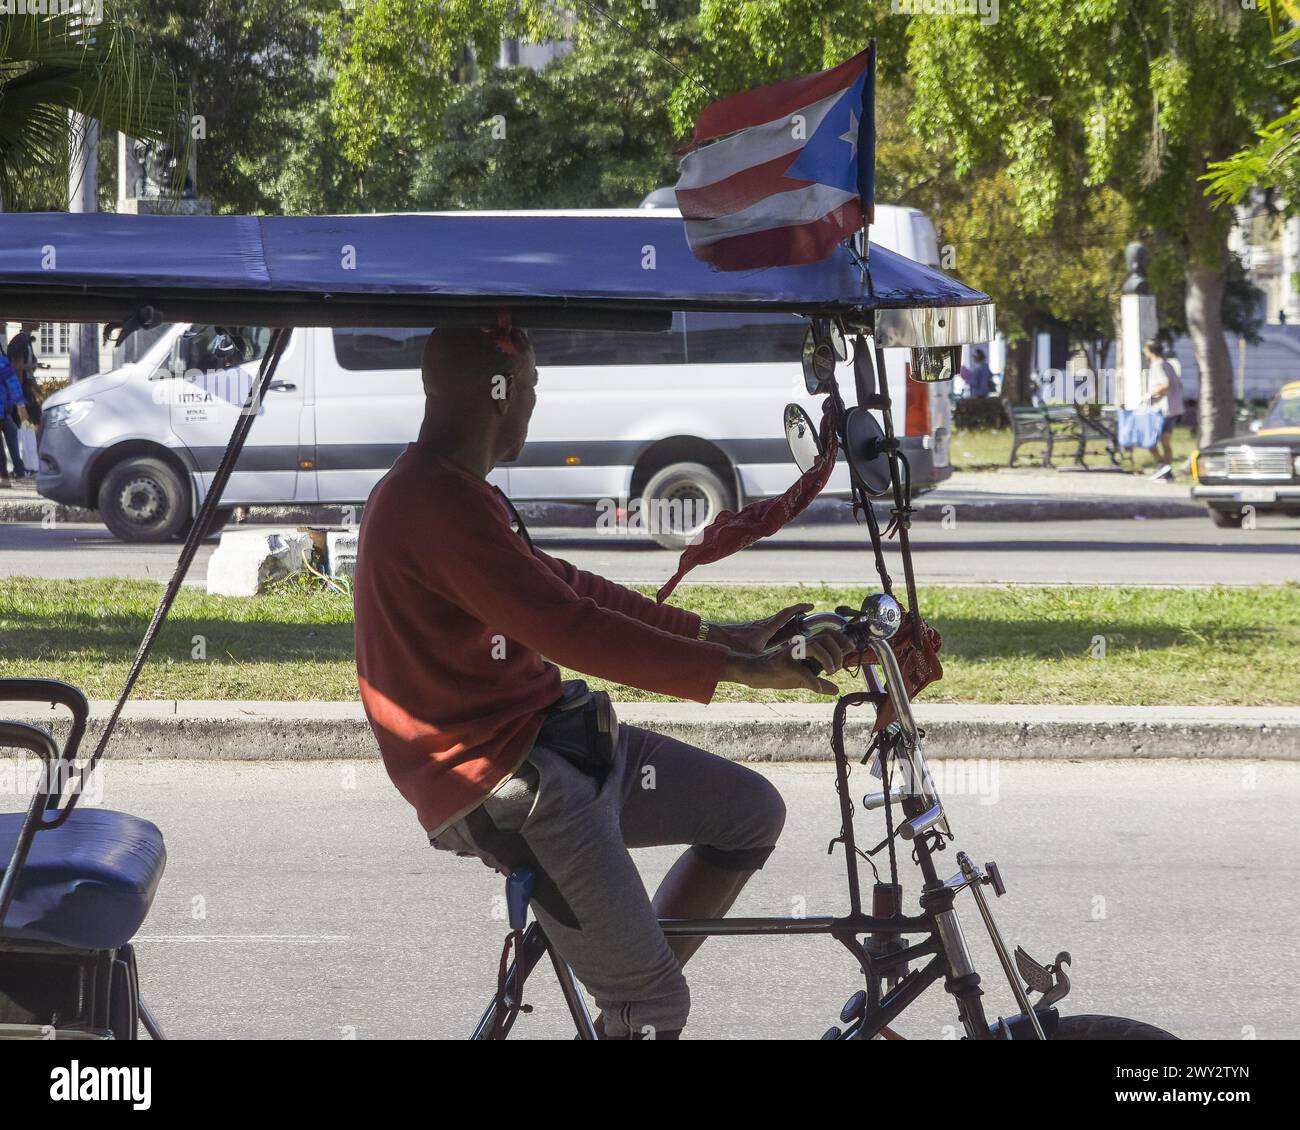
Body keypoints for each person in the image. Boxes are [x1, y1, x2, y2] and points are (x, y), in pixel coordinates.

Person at [353, 325, 853, 1040]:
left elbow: (568, 588)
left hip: (559, 739)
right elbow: (569, 628)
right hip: (509, 782)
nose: (533, 407)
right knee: (654, 1011)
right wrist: (738, 670)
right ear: (500, 394)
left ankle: (627, 986)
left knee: (748, 812)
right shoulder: (430, 503)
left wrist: (718, 635)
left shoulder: (455, 491)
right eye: (531, 388)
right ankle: (636, 1004)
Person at [1143, 339, 1183, 481]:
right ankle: (1167, 472)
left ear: (1150, 351)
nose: (1144, 352)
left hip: (1161, 409)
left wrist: (1149, 394)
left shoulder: (1157, 365)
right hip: (1173, 408)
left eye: (1145, 350)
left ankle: (1162, 467)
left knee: (1150, 441)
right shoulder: (1167, 364)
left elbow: (1166, 384)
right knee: (1166, 442)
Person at [6, 321, 42, 428]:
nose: (39, 323)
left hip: (26, 385)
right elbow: (16, 366)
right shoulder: (19, 341)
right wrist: (33, 365)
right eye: (36, 319)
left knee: (33, 419)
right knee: (28, 420)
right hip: (22, 387)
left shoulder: (26, 340)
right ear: (27, 322)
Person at [0, 352, 30, 485]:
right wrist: (20, 404)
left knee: (9, 436)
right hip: (4, 410)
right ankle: (17, 470)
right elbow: (13, 384)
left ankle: (6, 476)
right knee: (11, 435)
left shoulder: (2, 362)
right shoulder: (2, 362)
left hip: (4, 410)